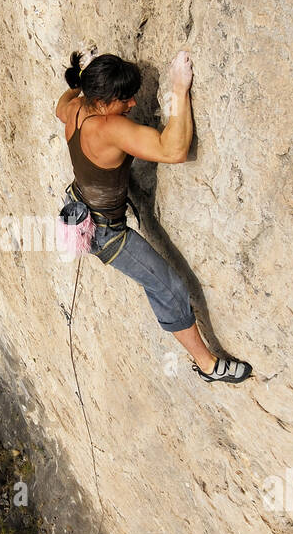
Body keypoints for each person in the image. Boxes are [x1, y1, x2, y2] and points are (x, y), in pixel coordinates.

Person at [56, 45, 252, 383]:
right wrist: (179, 89)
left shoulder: (74, 107)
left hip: (81, 206)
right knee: (168, 286)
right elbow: (174, 150)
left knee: (162, 282)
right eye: (125, 99)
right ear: (103, 104)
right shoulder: (107, 128)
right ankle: (208, 366)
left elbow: (61, 102)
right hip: (106, 233)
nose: (132, 103)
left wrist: (83, 76)